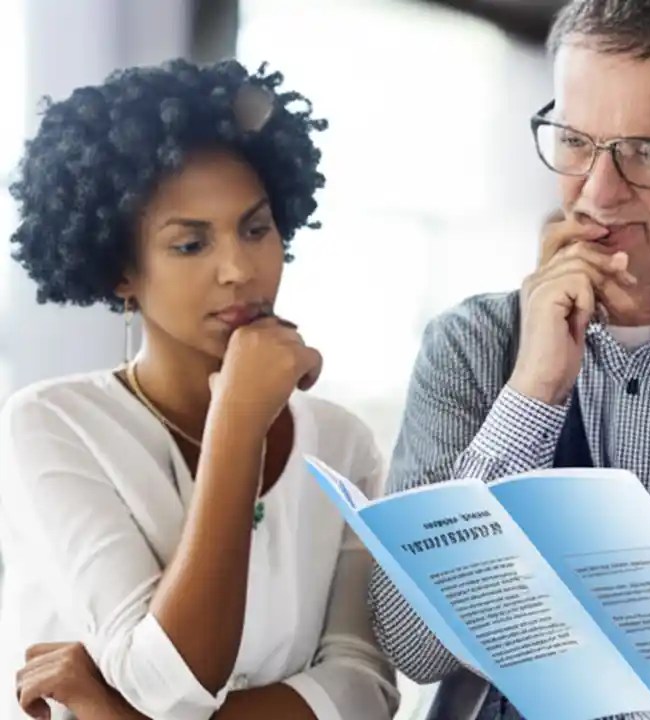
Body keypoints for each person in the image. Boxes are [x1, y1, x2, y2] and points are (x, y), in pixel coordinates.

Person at [367, 1, 650, 718]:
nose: (600, 192)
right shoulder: (472, 345)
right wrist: (533, 392)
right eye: (575, 141)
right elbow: (414, 647)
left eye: (649, 152)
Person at [0, 60, 398, 720]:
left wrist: (120, 715)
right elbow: (169, 682)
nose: (238, 270)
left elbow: (363, 690)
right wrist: (238, 422)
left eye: (255, 229)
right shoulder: (51, 423)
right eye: (190, 245)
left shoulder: (340, 442)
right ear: (122, 270)